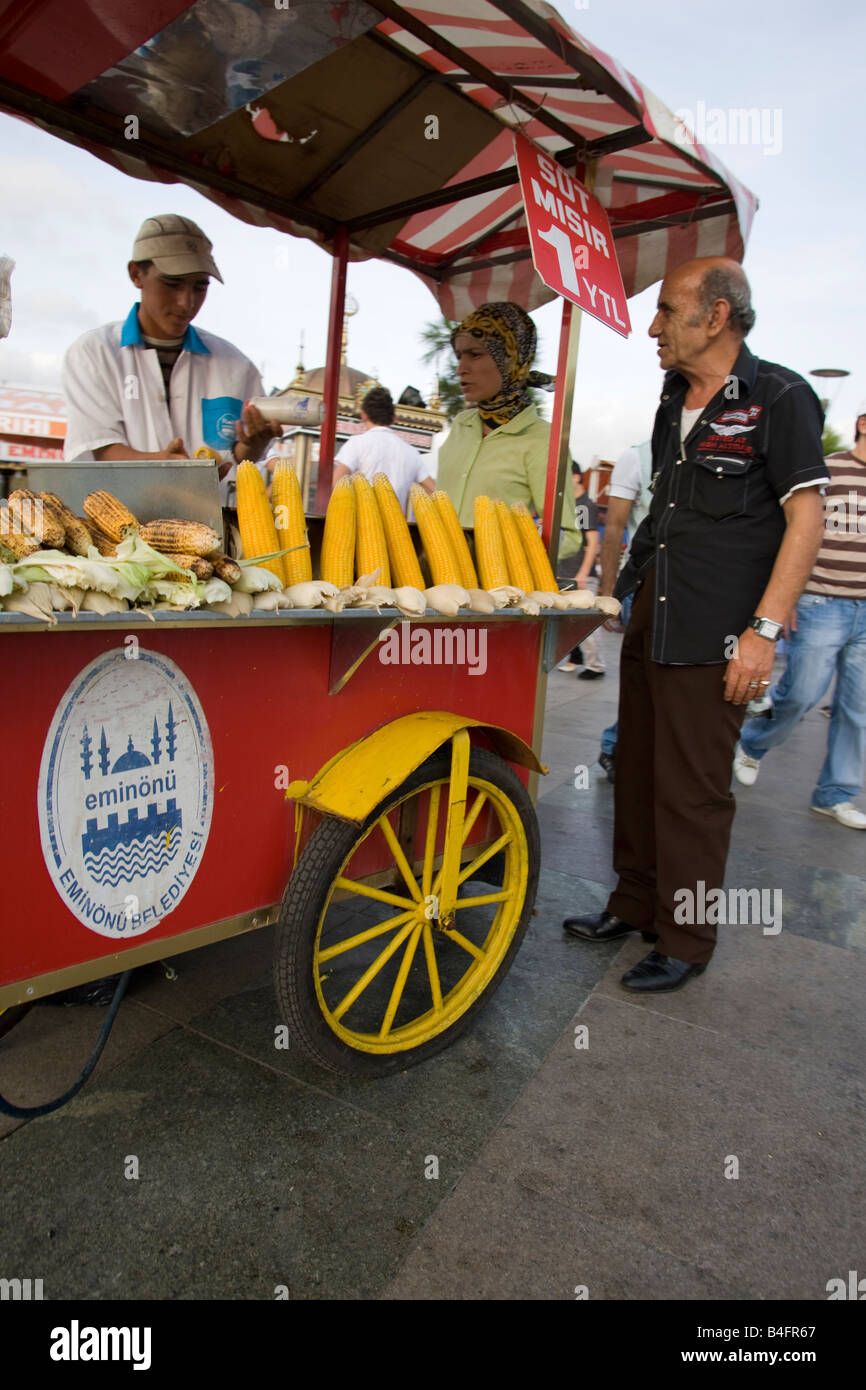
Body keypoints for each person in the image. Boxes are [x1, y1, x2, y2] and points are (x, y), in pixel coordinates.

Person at [562, 256, 828, 992]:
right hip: (656, 609)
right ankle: (634, 902)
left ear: (715, 316)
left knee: (694, 788)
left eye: (666, 312)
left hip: (721, 627)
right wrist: (618, 592)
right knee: (640, 768)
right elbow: (664, 512)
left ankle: (686, 938)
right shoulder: (671, 397)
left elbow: (806, 516)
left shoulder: (781, 396)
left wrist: (765, 632)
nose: (652, 328)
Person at [62, 214, 279, 504]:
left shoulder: (236, 366)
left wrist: (253, 444)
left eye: (199, 287)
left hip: (210, 530)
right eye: (172, 283)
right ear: (136, 274)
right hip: (120, 527)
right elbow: (101, 449)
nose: (186, 302)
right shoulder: (95, 353)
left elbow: (238, 459)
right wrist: (166, 464)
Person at [733, 405, 866, 828]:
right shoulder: (828, 470)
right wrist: (785, 597)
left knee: (857, 709)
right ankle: (752, 745)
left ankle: (836, 794)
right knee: (801, 695)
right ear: (863, 424)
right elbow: (791, 529)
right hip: (821, 601)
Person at [436, 301, 581, 561]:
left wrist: (507, 552)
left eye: (475, 354)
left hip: (496, 595)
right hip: (434, 588)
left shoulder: (543, 440)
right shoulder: (461, 425)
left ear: (509, 358)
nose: (461, 369)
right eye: (459, 356)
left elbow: (567, 535)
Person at [595, 440, 654, 777]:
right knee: (647, 678)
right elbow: (615, 526)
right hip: (644, 582)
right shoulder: (638, 456)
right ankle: (617, 746)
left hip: (696, 588)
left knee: (660, 683)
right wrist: (607, 592)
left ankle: (617, 744)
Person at [332, 386, 435, 511]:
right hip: (397, 527)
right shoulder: (411, 452)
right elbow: (432, 490)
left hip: (362, 525)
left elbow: (338, 482)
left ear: (364, 415)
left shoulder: (356, 443)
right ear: (393, 418)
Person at [559, 464, 603, 675]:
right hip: (564, 570)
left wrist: (584, 572)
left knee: (586, 623)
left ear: (576, 478)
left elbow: (592, 541)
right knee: (566, 621)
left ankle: (595, 666)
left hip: (579, 573)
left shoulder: (585, 506)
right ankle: (575, 659)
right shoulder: (567, 505)